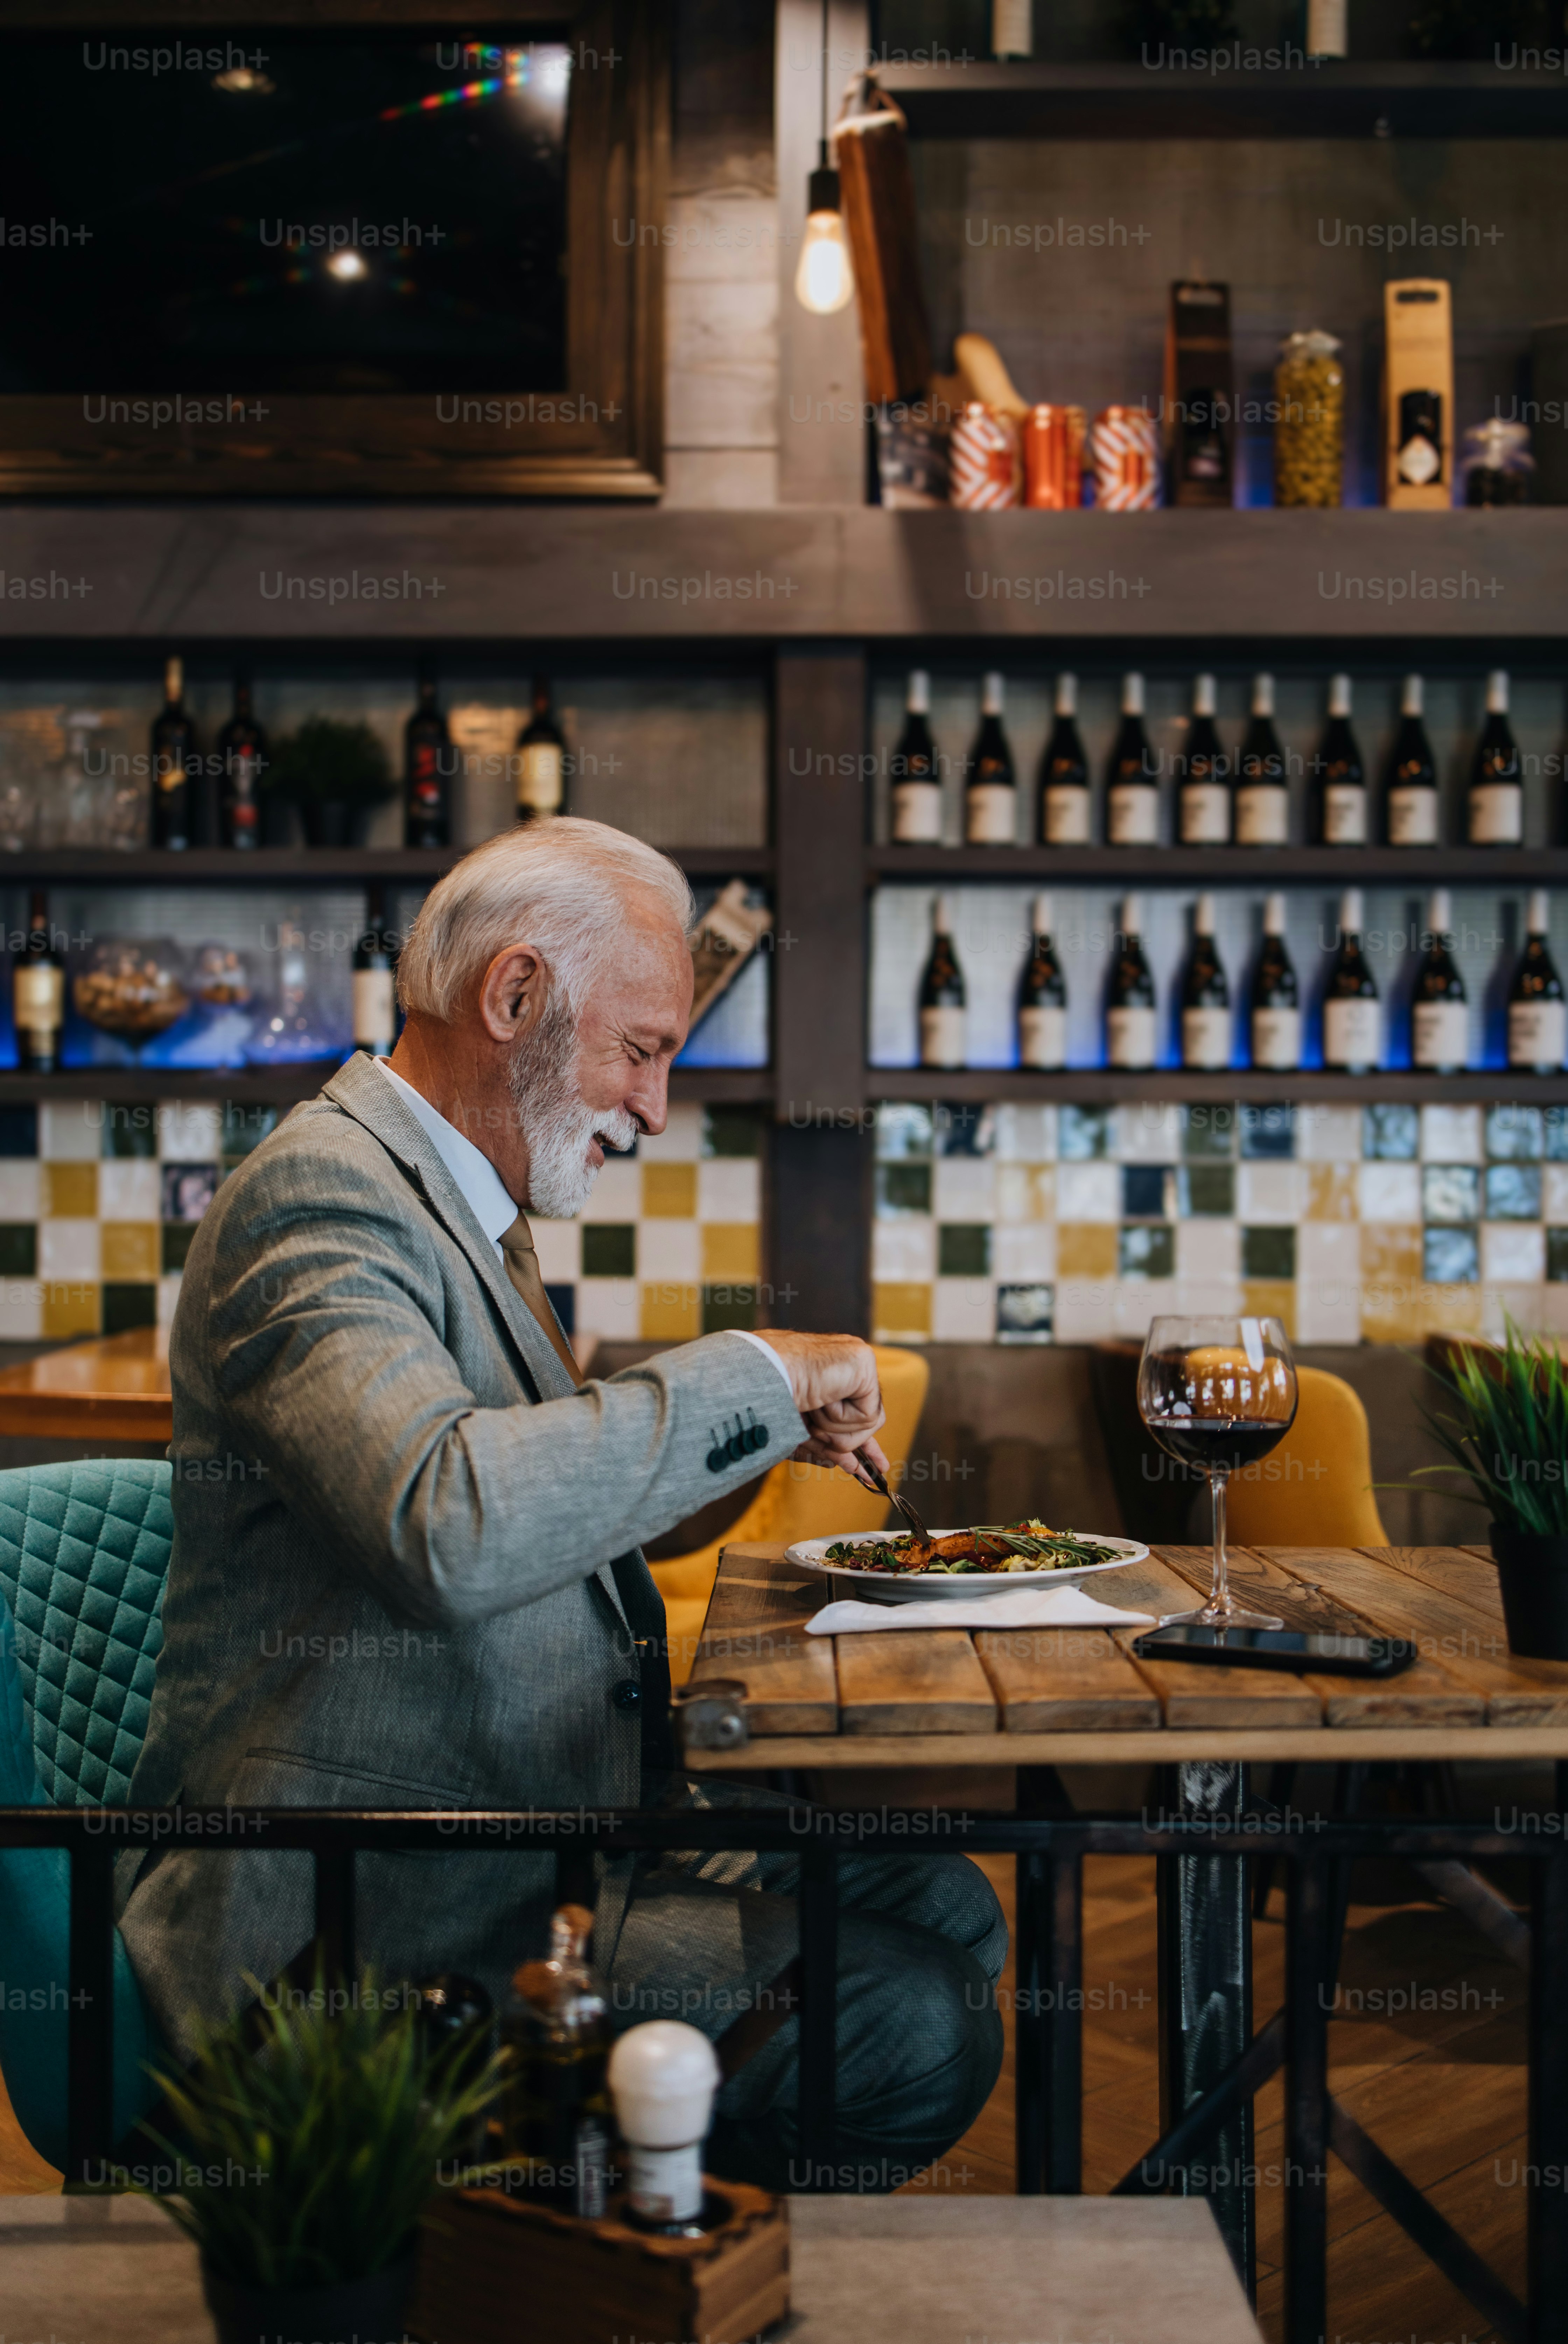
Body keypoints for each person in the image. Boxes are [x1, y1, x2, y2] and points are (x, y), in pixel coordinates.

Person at [118, 817, 1003, 2189]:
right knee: (908, 2020)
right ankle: (613, 2263)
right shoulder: (316, 1199)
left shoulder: (465, 1209)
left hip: (533, 1833)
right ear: (514, 995)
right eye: (646, 1050)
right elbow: (447, 1516)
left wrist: (753, 1448)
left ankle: (639, 2241)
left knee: (940, 1897)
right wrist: (755, 1369)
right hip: (372, 1915)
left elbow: (550, 1505)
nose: (655, 1108)